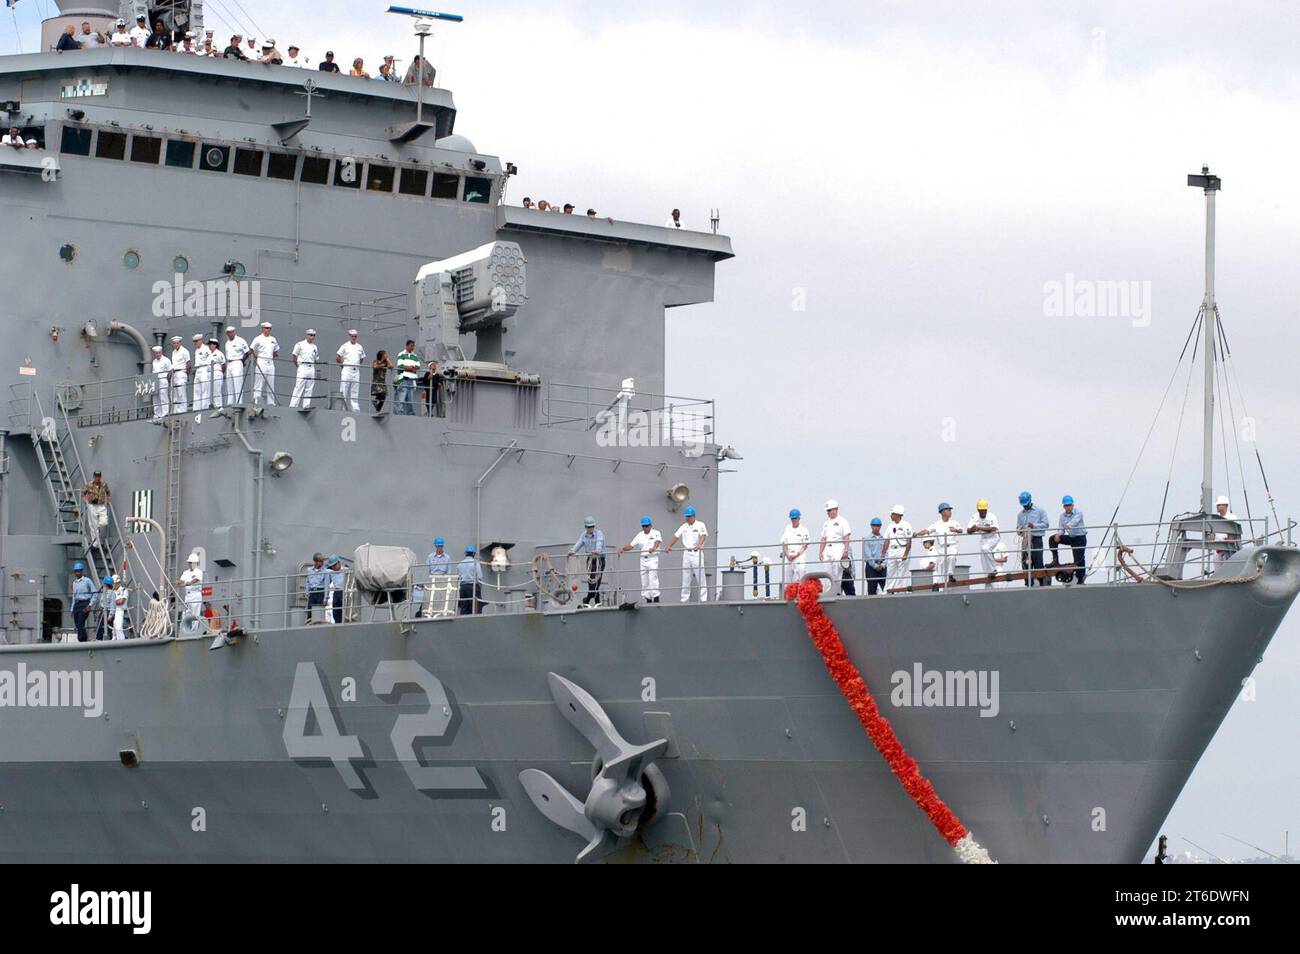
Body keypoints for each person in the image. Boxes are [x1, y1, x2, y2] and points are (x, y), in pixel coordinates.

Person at [665, 506, 709, 603]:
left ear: (694, 516)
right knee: (686, 577)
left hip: (697, 553)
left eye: (689, 516)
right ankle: (684, 600)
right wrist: (669, 546)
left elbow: (703, 535)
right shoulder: (684, 526)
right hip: (686, 553)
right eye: (686, 516)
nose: (687, 518)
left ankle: (703, 599)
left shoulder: (700, 525)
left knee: (700, 577)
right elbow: (676, 536)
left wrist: (699, 544)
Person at [915, 503, 962, 585]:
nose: (950, 512)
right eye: (948, 510)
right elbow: (927, 530)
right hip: (942, 547)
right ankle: (944, 586)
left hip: (952, 545)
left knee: (952, 557)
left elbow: (961, 530)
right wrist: (917, 534)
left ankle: (950, 575)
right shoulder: (937, 524)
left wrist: (956, 530)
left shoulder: (954, 523)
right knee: (943, 567)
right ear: (942, 512)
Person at [618, 517, 662, 603]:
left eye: (647, 525)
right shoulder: (640, 535)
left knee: (653, 578)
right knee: (644, 580)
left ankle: (656, 598)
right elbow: (631, 545)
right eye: (644, 526)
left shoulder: (656, 533)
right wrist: (623, 549)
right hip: (643, 559)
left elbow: (657, 542)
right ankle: (648, 599)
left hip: (652, 558)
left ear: (650, 525)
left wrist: (653, 548)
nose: (645, 527)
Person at [818, 499, 854, 596]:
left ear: (835, 509)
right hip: (828, 548)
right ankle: (828, 593)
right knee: (827, 571)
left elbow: (846, 536)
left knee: (837, 570)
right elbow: (823, 538)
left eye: (829, 510)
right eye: (827, 511)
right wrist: (820, 551)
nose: (828, 513)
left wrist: (846, 550)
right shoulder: (826, 523)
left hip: (838, 546)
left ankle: (837, 592)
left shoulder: (843, 521)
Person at [1049, 495, 1087, 584]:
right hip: (1071, 537)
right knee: (1052, 539)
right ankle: (1055, 560)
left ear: (1072, 505)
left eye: (1069, 505)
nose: (1068, 507)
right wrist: (1058, 534)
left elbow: (1075, 521)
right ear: (1064, 506)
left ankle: (1080, 578)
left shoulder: (1078, 512)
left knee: (1079, 559)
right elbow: (1061, 528)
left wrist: (1068, 525)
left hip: (1080, 538)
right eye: (1066, 505)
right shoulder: (1062, 516)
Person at [568, 517, 606, 607]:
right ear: (585, 527)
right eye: (589, 527)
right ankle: (596, 601)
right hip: (590, 560)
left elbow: (599, 542)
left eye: (592, 526)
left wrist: (597, 550)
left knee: (597, 581)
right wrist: (572, 551)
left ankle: (588, 599)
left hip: (599, 560)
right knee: (590, 582)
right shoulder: (583, 535)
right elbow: (579, 543)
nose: (591, 528)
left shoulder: (599, 533)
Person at [1016, 491, 1051, 587]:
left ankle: (1041, 583)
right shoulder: (1020, 515)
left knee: (1038, 562)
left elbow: (1046, 524)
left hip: (1036, 539)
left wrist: (1033, 526)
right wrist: (1022, 530)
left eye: (1026, 505)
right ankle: (1028, 583)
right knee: (1025, 562)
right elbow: (1018, 529)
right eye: (1024, 505)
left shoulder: (1040, 511)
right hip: (1025, 540)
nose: (1025, 507)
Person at [967, 498, 1001, 587]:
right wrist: (973, 529)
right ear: (978, 510)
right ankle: (988, 576)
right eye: (982, 510)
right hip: (983, 539)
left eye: (985, 510)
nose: (983, 512)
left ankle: (993, 570)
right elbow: (968, 530)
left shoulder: (991, 516)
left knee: (985, 549)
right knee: (983, 559)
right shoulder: (974, 517)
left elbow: (994, 528)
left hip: (993, 537)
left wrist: (980, 528)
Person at [415, 538, 451, 615]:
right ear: (435, 546)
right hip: (432, 579)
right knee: (429, 597)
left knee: (442, 597)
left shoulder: (447, 557)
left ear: (443, 546)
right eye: (438, 546)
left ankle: (442, 612)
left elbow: (449, 572)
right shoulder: (430, 557)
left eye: (441, 546)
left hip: (442, 580)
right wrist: (424, 582)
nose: (440, 548)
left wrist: (448, 581)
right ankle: (423, 611)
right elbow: (426, 570)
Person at [779, 508, 810, 590]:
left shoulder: (804, 530)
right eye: (792, 518)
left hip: (799, 556)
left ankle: (802, 593)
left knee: (801, 571)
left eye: (795, 518)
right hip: (788, 555)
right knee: (787, 575)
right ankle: (788, 595)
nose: (794, 520)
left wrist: (796, 555)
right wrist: (787, 554)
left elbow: (805, 544)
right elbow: (784, 543)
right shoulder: (787, 528)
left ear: (799, 518)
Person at [884, 504, 913, 593]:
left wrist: (905, 554)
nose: (891, 515)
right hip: (892, 550)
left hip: (902, 549)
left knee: (902, 572)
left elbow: (909, 541)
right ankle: (888, 589)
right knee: (890, 571)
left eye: (892, 514)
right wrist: (883, 553)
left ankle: (900, 590)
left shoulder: (906, 525)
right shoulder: (890, 526)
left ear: (897, 514)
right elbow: (887, 540)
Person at [250, 321, 279, 405]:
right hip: (261, 361)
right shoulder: (258, 338)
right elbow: (251, 349)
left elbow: (276, 351)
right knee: (259, 382)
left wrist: (272, 355)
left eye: (269, 328)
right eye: (266, 328)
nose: (268, 330)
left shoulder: (273, 339)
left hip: (270, 362)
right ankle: (256, 399)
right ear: (262, 329)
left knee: (271, 383)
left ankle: (271, 402)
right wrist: (256, 356)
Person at [336, 329, 366, 411]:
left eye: (355, 336)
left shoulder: (359, 347)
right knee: (344, 390)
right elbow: (338, 357)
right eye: (352, 336)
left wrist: (356, 364)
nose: (354, 338)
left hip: (356, 370)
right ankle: (342, 408)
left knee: (355, 391)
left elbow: (362, 358)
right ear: (349, 336)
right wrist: (344, 365)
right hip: (347, 370)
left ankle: (355, 408)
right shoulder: (345, 346)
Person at [290, 329, 320, 408]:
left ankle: (306, 405)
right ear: (307, 335)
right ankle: (293, 405)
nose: (312, 337)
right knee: (298, 387)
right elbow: (294, 356)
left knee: (309, 388)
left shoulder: (315, 347)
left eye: (313, 335)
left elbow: (316, 358)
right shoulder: (300, 344)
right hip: (302, 367)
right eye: (310, 335)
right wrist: (299, 366)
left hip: (311, 368)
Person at [81, 469, 111, 547]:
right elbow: (83, 493)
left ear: (100, 477)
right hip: (92, 505)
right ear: (93, 477)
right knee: (93, 525)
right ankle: (95, 542)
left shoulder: (104, 484)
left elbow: (108, 492)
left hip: (101, 505)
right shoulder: (89, 484)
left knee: (104, 522)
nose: (97, 478)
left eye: (99, 476)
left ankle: (98, 526)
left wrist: (108, 499)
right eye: (96, 476)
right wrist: (85, 500)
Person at [224, 325, 250, 405]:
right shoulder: (227, 343)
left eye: (232, 332)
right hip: (229, 363)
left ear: (234, 332)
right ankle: (230, 403)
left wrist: (242, 361)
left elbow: (247, 352)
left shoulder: (240, 340)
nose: (230, 334)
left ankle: (239, 402)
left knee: (237, 383)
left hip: (237, 362)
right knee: (229, 385)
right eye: (229, 333)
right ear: (227, 334)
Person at [394, 340, 421, 415]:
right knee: (401, 398)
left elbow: (418, 366)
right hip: (404, 379)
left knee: (410, 399)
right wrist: (410, 368)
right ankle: (399, 413)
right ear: (407, 346)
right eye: (411, 346)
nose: (413, 347)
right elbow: (400, 365)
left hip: (412, 380)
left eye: (413, 346)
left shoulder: (415, 356)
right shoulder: (401, 354)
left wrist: (409, 367)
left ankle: (410, 413)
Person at [1210, 494, 1239, 563]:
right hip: (1217, 550)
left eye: (1219, 505)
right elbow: (1212, 534)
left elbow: (1233, 534)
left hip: (1228, 549)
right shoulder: (1215, 519)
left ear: (1225, 505)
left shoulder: (1232, 518)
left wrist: (1226, 542)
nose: (1217, 507)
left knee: (1228, 569)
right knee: (1218, 572)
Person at [70, 562, 95, 643]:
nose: (77, 573)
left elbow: (94, 593)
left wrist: (90, 605)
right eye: (76, 571)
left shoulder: (87, 581)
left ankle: (81, 640)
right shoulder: (74, 583)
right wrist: (72, 610)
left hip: (84, 603)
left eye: (79, 571)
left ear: (82, 571)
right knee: (77, 625)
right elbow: (74, 596)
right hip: (77, 605)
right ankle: (83, 640)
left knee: (81, 623)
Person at [863, 518, 887, 594]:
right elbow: (867, 554)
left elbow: (887, 553)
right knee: (871, 590)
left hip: (882, 566)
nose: (876, 527)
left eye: (878, 526)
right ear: (871, 526)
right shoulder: (867, 539)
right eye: (874, 525)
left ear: (880, 526)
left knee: (887, 589)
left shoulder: (884, 539)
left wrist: (883, 565)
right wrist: (875, 565)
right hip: (871, 567)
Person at [178, 553, 204, 623]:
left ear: (195, 563)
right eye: (189, 563)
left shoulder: (199, 572)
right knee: (186, 614)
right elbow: (182, 580)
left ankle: (194, 631)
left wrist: (189, 582)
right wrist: (179, 582)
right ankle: (185, 630)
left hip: (196, 595)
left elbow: (196, 579)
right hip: (188, 596)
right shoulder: (185, 572)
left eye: (191, 562)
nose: (189, 564)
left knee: (195, 615)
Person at [457, 545, 483, 615]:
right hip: (473, 587)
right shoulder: (475, 563)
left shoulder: (460, 564)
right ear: (474, 554)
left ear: (466, 553)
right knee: (475, 608)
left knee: (464, 607)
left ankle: (463, 622)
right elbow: (480, 577)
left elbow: (459, 576)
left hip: (463, 588)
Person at [168, 335, 190, 414]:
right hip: (175, 374)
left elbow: (188, 364)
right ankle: (175, 410)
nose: (175, 345)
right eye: (174, 343)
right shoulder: (173, 352)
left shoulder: (184, 351)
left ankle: (183, 409)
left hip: (181, 372)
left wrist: (187, 375)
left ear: (180, 343)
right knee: (174, 393)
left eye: (177, 343)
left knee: (181, 392)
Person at [304, 552, 328, 622]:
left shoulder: (325, 571)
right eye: (320, 561)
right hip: (312, 592)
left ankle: (319, 625)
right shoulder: (309, 570)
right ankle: (309, 625)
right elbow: (308, 582)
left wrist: (325, 598)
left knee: (319, 612)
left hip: (320, 592)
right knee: (310, 611)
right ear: (316, 562)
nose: (322, 563)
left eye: (322, 561)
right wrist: (306, 591)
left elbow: (326, 585)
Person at [150, 345, 172, 419]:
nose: (158, 354)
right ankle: (157, 414)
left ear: (161, 352)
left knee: (163, 397)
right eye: (156, 353)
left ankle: (165, 413)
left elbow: (170, 371)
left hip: (163, 380)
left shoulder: (166, 360)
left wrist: (168, 381)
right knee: (155, 398)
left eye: (159, 353)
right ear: (155, 354)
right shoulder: (154, 362)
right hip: (155, 380)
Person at [203, 338, 225, 408]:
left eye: (210, 344)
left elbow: (224, 364)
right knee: (209, 391)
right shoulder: (208, 354)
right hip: (209, 374)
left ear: (215, 345)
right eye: (209, 344)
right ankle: (211, 405)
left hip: (217, 373)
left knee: (217, 391)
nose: (209, 346)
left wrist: (221, 373)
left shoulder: (219, 353)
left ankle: (218, 406)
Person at [370, 349, 393, 413]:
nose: (386, 355)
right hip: (377, 382)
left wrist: (387, 359)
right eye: (385, 354)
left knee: (383, 397)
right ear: (382, 355)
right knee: (382, 395)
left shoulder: (385, 363)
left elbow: (391, 366)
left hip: (382, 383)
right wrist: (382, 365)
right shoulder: (376, 361)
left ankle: (377, 409)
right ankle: (376, 404)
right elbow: (374, 366)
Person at [326, 554, 345, 622]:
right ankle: (338, 624)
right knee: (335, 612)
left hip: (344, 592)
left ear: (339, 562)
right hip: (336, 592)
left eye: (334, 565)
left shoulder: (346, 570)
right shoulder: (331, 572)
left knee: (345, 610)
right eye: (332, 566)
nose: (333, 567)